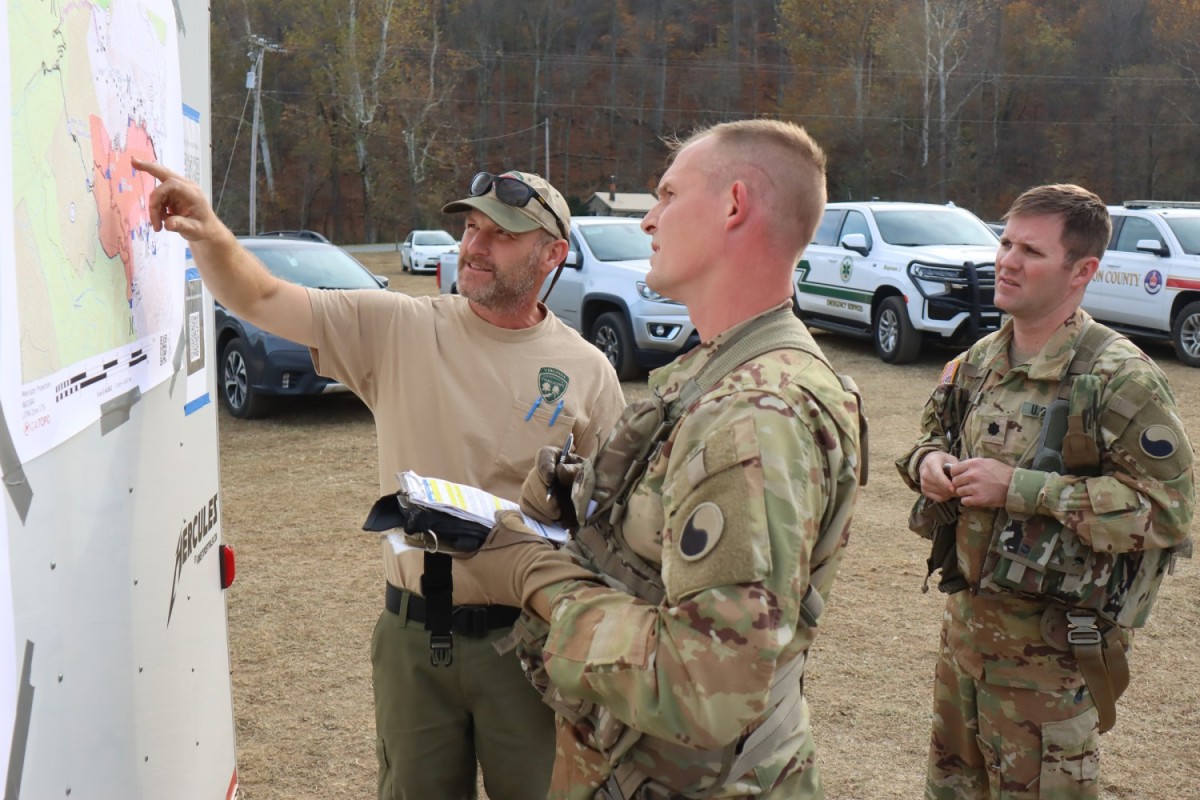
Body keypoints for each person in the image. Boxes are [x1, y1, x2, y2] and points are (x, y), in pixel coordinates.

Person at [134, 159, 626, 800]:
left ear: (552, 253)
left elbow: (615, 526)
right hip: (415, 640)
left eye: (500, 234)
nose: (474, 246)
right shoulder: (399, 327)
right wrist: (209, 233)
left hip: (532, 646)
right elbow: (260, 297)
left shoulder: (587, 372)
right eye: (471, 227)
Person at [433, 119, 868, 799]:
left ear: (733, 205)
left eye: (667, 195)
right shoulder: (714, 377)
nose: (649, 220)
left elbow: (707, 687)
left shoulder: (754, 414)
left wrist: (536, 579)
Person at [895, 184, 1194, 799]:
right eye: (1005, 242)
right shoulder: (980, 360)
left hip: (1052, 663)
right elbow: (927, 437)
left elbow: (1167, 513)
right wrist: (929, 464)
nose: (1006, 260)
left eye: (1030, 250)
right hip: (965, 643)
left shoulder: (1120, 379)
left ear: (1082, 270)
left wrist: (1024, 489)